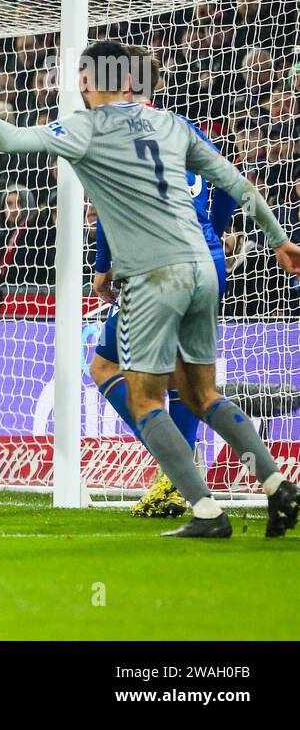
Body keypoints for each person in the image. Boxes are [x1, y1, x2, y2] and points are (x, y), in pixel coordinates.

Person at [0, 44, 300, 538]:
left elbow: (5, 139)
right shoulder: (173, 124)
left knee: (146, 399)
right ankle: (276, 480)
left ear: (87, 82)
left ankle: (206, 512)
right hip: (205, 269)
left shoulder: (83, 127)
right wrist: (280, 240)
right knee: (203, 393)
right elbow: (240, 185)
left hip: (154, 277)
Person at [90, 45, 237, 518]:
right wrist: (213, 232)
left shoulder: (119, 133)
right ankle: (191, 477)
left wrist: (101, 266)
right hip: (205, 262)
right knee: (183, 381)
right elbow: (229, 188)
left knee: (107, 368)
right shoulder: (181, 129)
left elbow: (114, 207)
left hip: (154, 267)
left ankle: (176, 473)